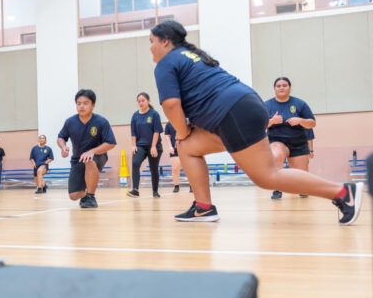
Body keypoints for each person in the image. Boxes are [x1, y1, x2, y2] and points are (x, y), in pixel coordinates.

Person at [149, 20, 362, 224]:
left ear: (166, 40)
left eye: (152, 41)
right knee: (187, 147)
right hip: (246, 106)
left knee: (267, 176)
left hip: (233, 114)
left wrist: (182, 130)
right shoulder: (192, 56)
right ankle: (203, 207)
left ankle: (343, 192)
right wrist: (185, 135)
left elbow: (170, 105)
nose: (151, 48)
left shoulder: (166, 62)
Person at [57, 89, 116, 208]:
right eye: (78, 103)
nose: (81, 106)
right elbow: (61, 137)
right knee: (73, 196)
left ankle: (90, 196)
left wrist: (92, 151)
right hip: (77, 159)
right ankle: (85, 195)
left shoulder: (101, 121)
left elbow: (111, 143)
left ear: (93, 105)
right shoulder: (70, 122)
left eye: (85, 103)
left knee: (89, 160)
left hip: (98, 156)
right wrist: (63, 147)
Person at [265, 77, 316, 200]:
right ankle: (277, 187)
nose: (281, 87)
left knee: (302, 180)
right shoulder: (266, 105)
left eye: (285, 85)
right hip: (277, 140)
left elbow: (312, 123)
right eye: (278, 86)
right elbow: (258, 125)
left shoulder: (300, 104)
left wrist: (301, 120)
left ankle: (300, 188)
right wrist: (271, 121)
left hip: (298, 142)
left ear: (290, 88)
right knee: (276, 156)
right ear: (274, 89)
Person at [127, 92, 164, 198]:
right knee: (135, 162)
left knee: (153, 168)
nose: (141, 103)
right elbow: (133, 133)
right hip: (141, 146)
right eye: (139, 101)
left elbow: (156, 131)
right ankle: (135, 190)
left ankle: (155, 191)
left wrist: (153, 146)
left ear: (148, 101)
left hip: (154, 146)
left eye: (143, 100)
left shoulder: (154, 114)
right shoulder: (135, 115)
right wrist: (133, 145)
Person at [164, 122, 184, 193]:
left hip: (186, 148)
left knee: (188, 168)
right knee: (175, 168)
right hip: (174, 149)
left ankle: (192, 186)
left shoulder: (185, 120)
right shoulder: (169, 124)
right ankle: (176, 186)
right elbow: (167, 136)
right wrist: (170, 147)